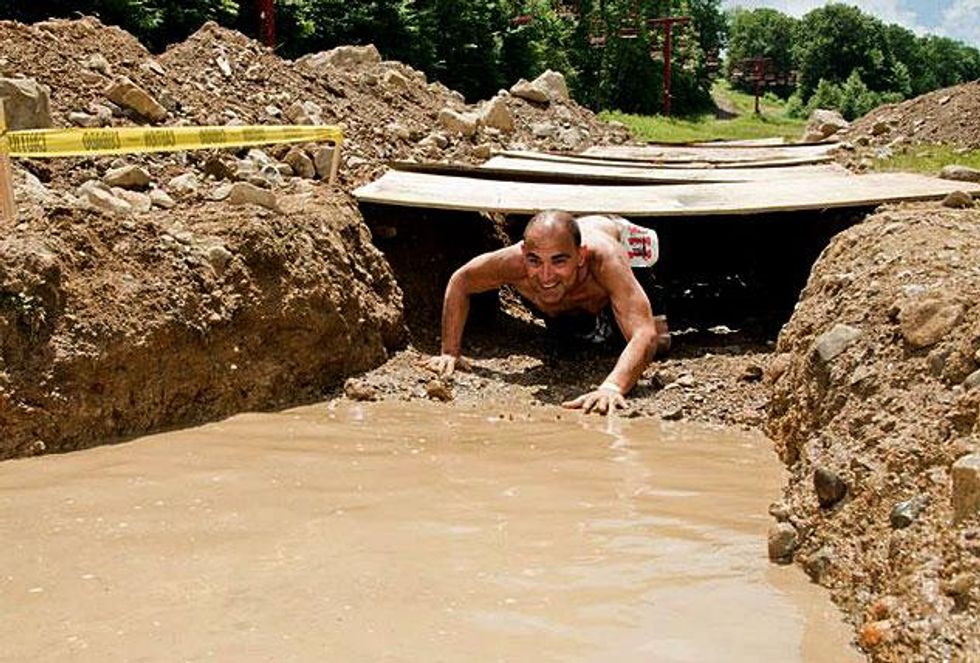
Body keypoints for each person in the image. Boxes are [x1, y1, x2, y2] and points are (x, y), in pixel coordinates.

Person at [425, 209, 668, 414]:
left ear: (580, 256)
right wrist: (450, 352)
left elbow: (644, 333)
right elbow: (461, 281)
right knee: (577, 338)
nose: (546, 275)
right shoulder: (512, 262)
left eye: (559, 261)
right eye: (535, 261)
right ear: (523, 253)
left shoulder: (605, 258)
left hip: (627, 243)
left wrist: (612, 387)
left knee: (659, 343)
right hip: (574, 292)